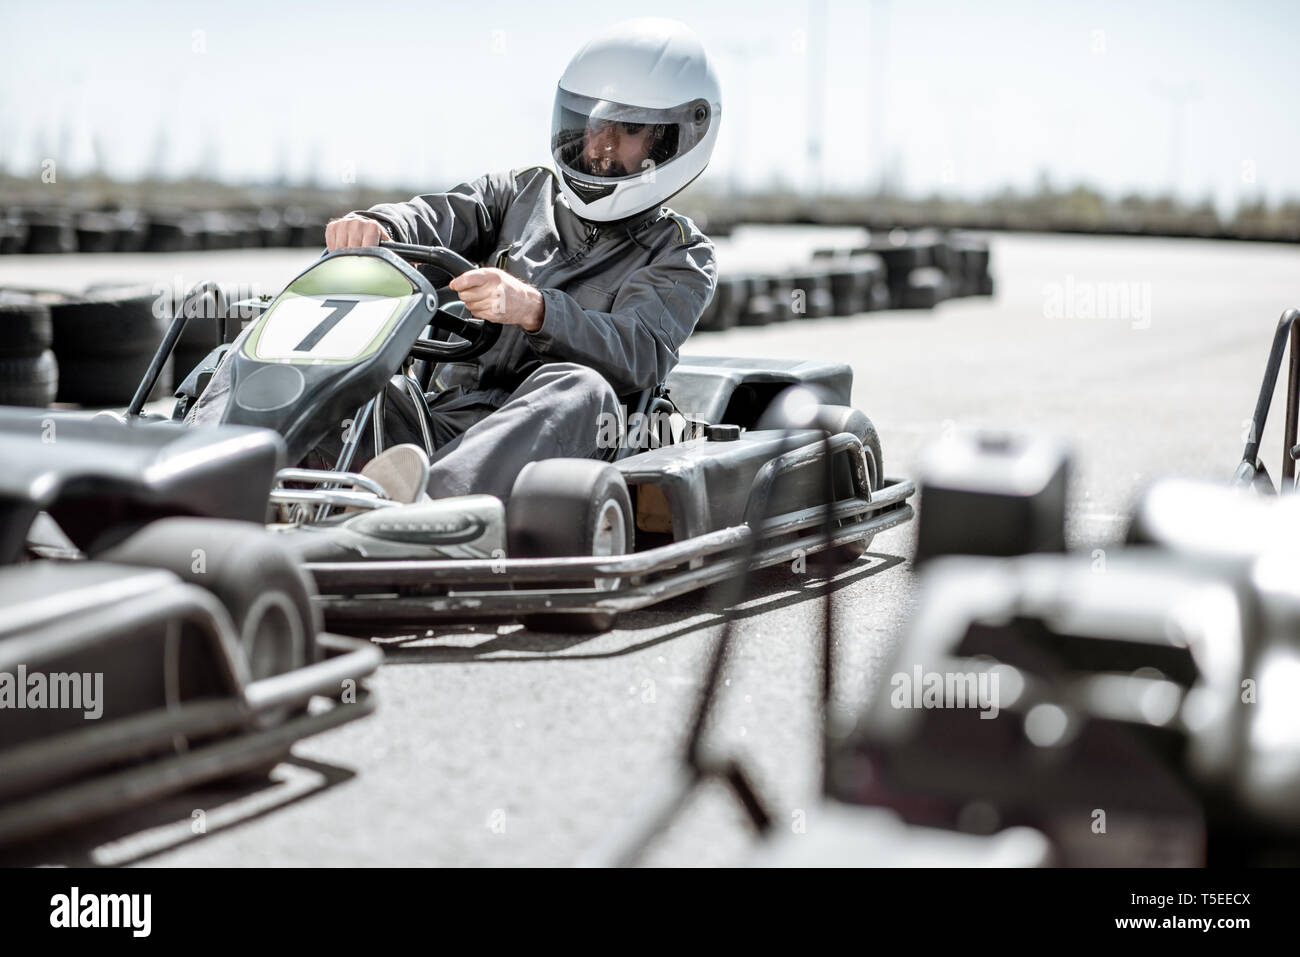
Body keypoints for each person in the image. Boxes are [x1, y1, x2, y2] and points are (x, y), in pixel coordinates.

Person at [314, 17, 721, 502]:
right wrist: (379, 226)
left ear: (670, 140)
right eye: (593, 124)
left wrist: (535, 310)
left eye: (627, 129)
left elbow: (636, 353)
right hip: (443, 422)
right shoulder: (518, 194)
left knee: (580, 386)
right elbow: (437, 215)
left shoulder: (681, 253)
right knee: (328, 362)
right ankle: (228, 477)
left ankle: (427, 516)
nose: (601, 145)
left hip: (563, 445)